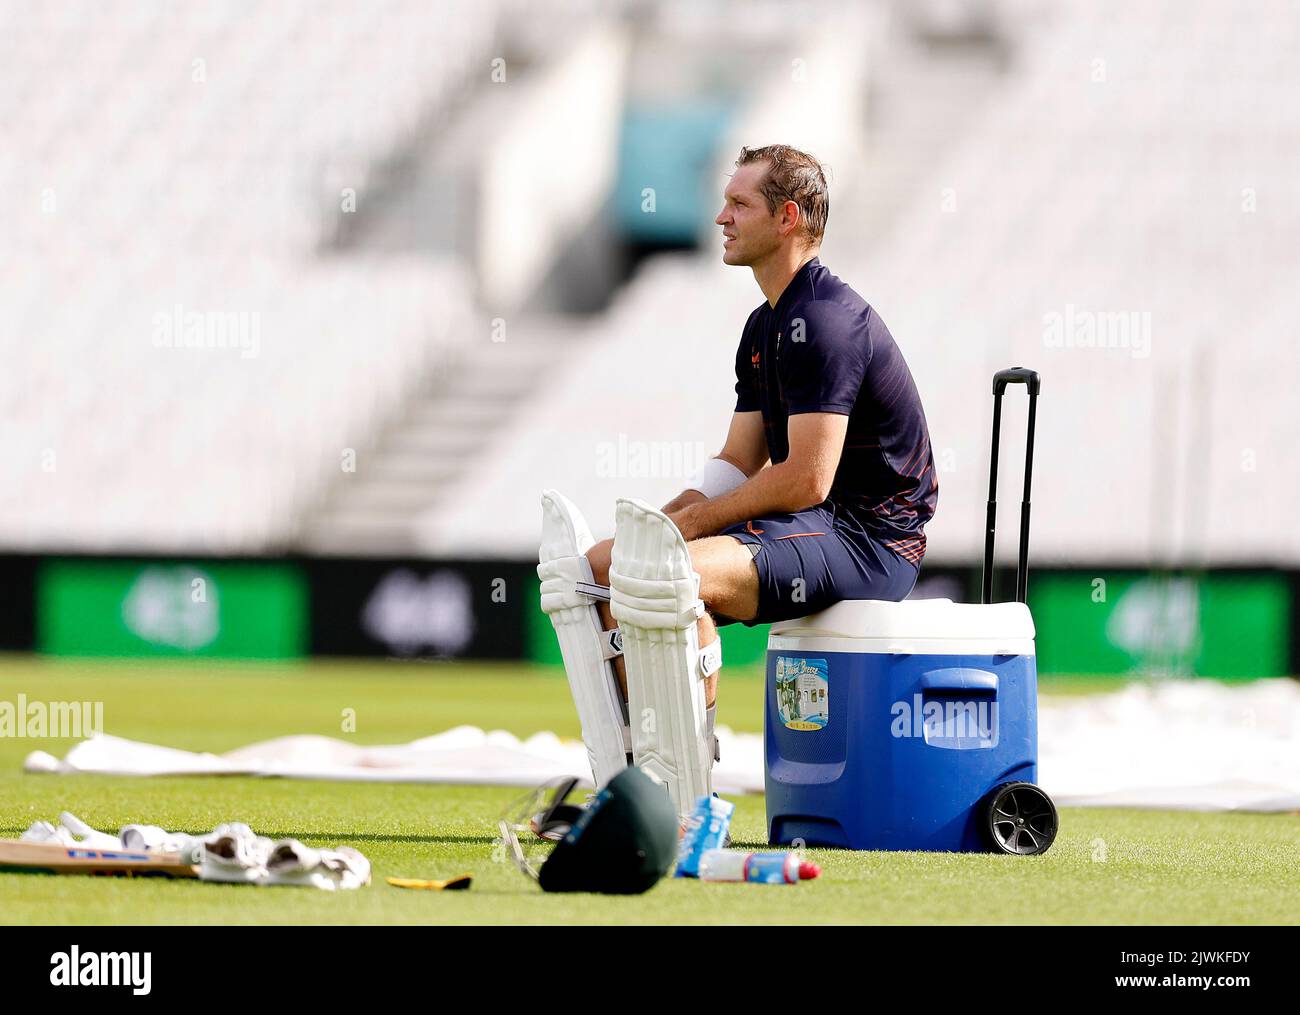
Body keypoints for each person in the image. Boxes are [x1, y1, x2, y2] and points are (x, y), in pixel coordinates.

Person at [584, 143, 938, 717]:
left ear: (787, 217)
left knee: (665, 575)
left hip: (871, 544)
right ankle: (636, 775)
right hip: (814, 527)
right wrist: (663, 520)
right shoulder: (765, 322)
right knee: (603, 567)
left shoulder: (825, 320)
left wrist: (691, 526)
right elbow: (736, 461)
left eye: (738, 204)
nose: (721, 218)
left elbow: (806, 480)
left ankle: (688, 794)